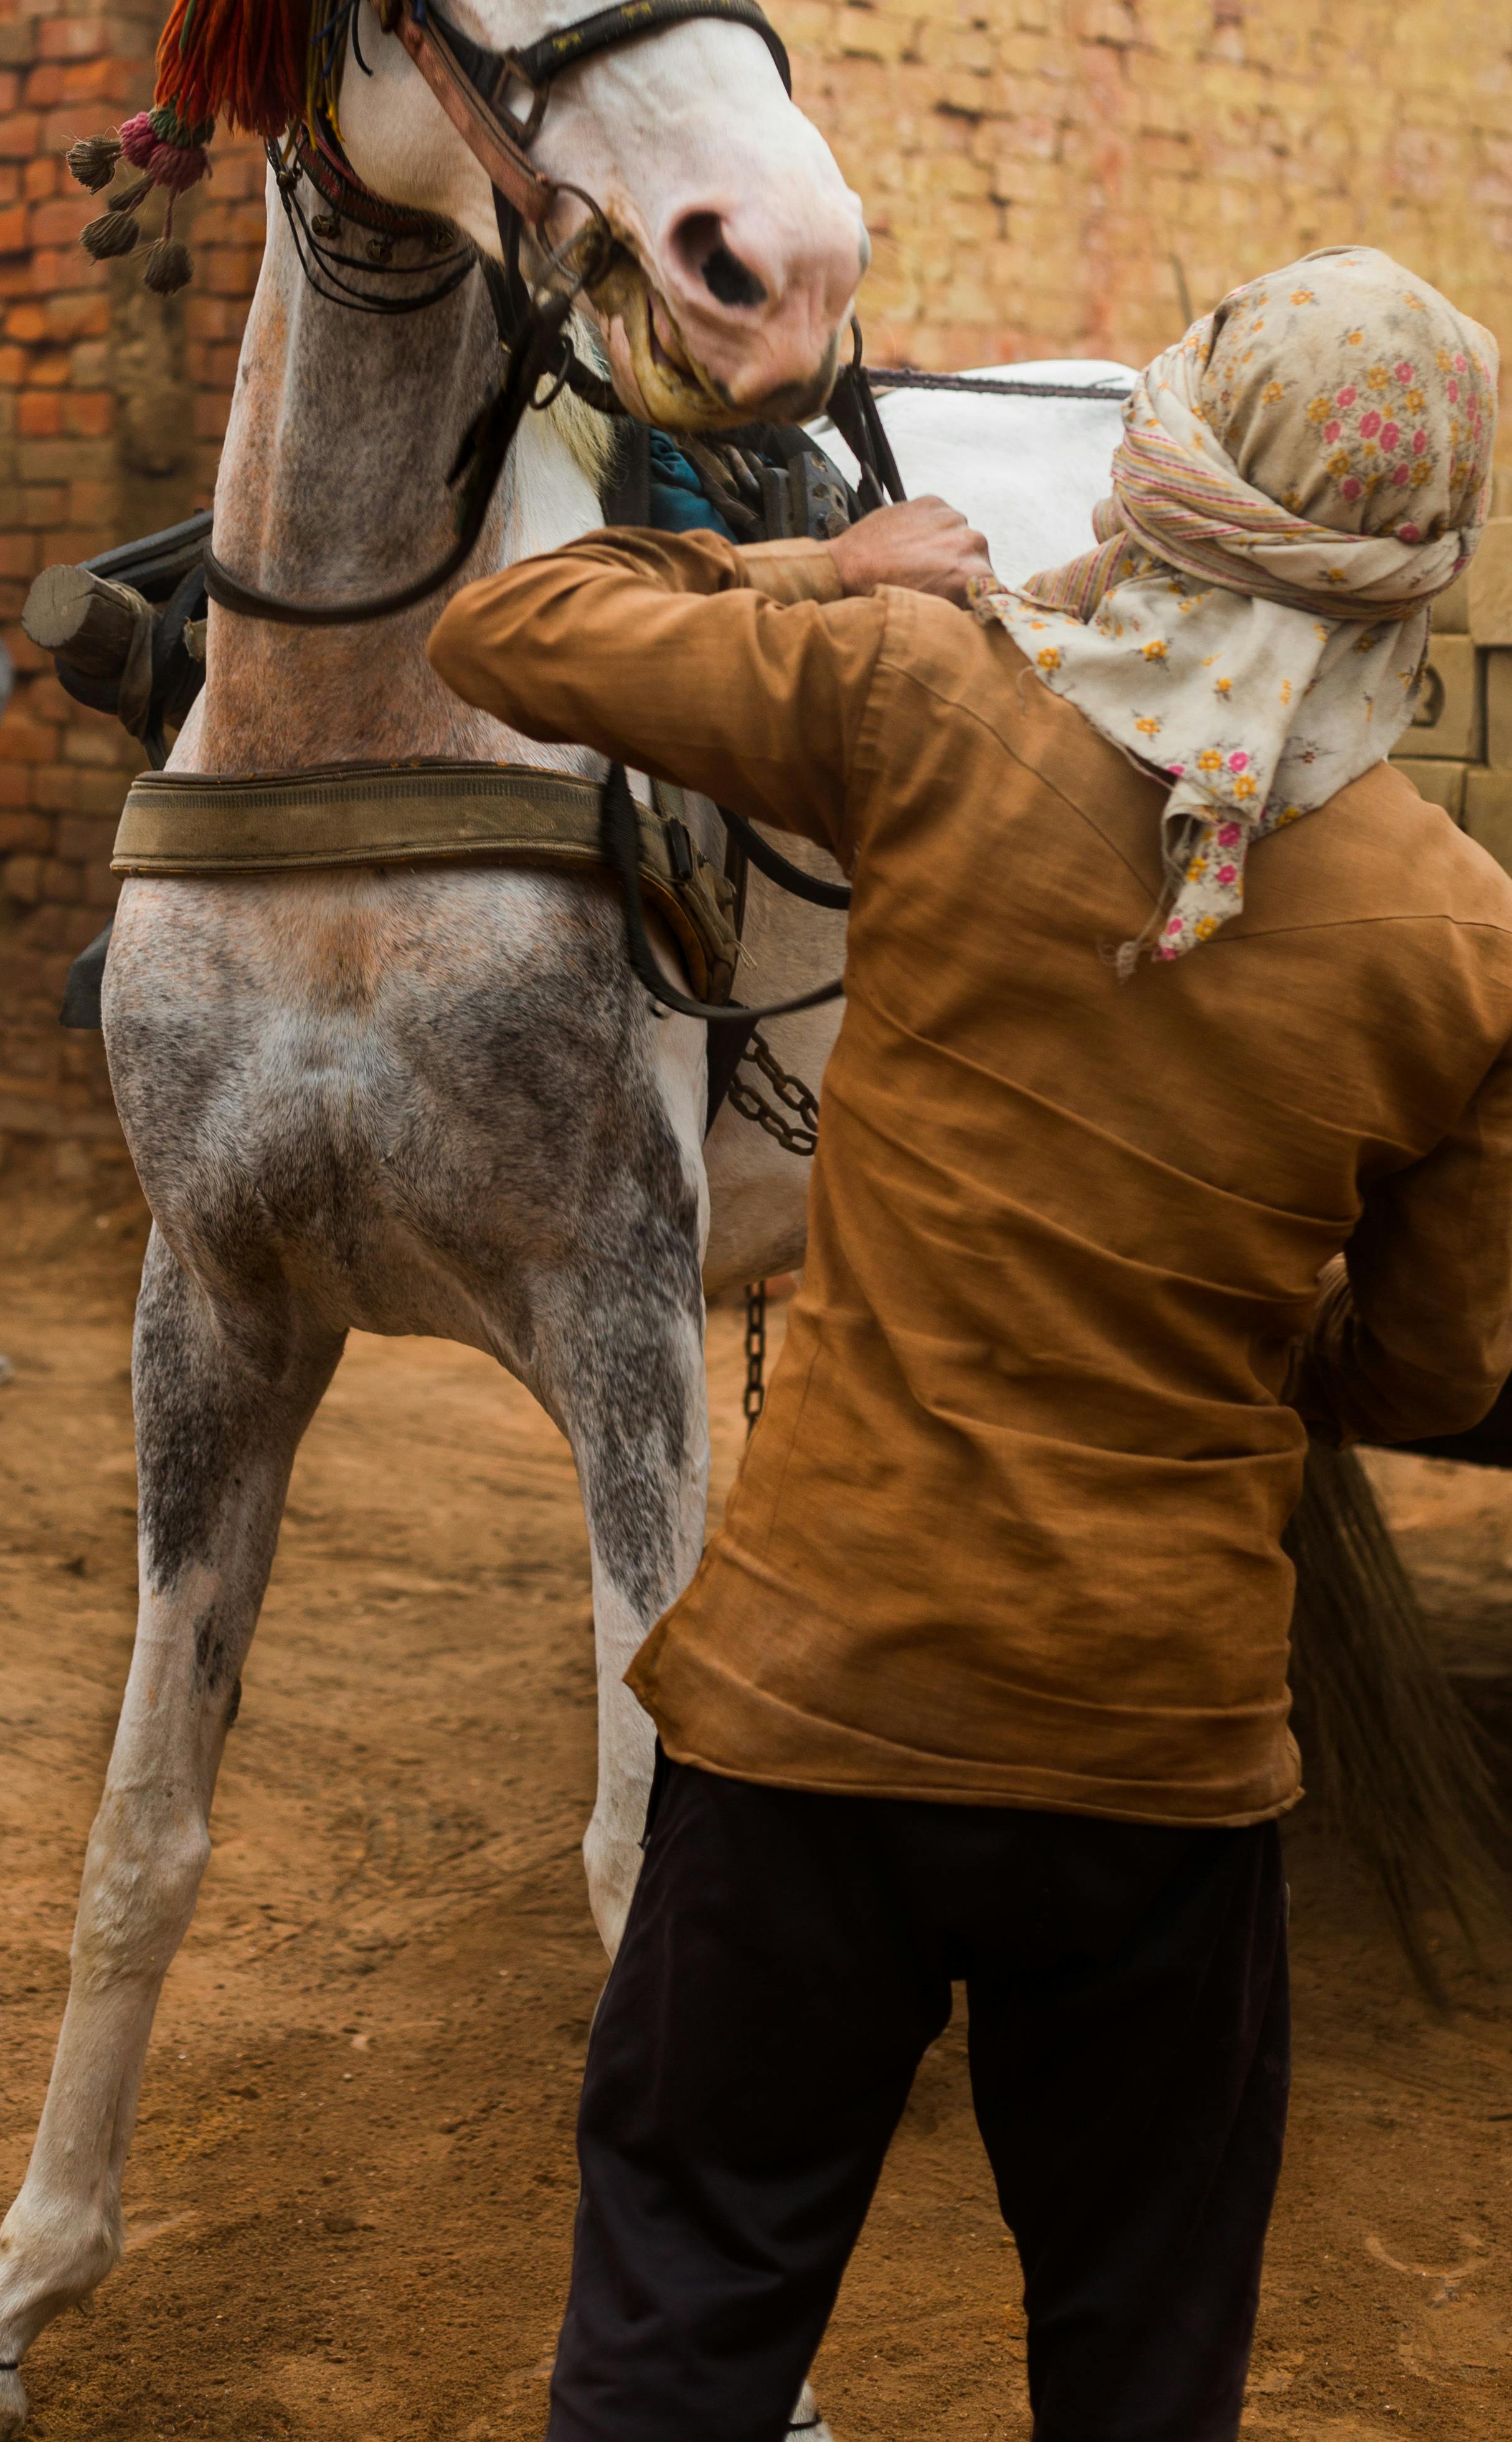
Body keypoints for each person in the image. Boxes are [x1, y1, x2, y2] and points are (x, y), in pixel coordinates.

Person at [427, 246, 1512, 2442]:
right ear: (1419, 574)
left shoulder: (928, 700)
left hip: (813, 1709)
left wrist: (823, 561)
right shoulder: (1461, 943)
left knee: (682, 2316)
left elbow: (502, 630)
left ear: (1172, 466)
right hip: (1161, 1760)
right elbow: (1427, 1378)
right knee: (1135, 2347)